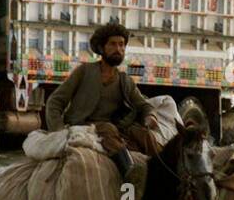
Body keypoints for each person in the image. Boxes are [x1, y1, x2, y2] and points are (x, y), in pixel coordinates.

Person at [44, 21, 161, 180]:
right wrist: (58, 132)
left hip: (116, 129)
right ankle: (128, 170)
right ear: (101, 48)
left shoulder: (125, 81)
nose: (118, 49)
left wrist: (150, 116)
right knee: (107, 128)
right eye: (112, 44)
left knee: (143, 134)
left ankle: (163, 172)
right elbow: (55, 102)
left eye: (121, 45)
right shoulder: (84, 72)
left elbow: (144, 105)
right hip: (84, 126)